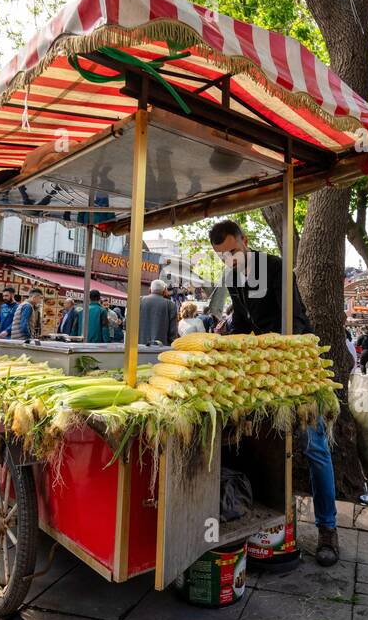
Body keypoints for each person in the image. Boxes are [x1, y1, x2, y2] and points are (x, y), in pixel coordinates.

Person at [209, 219, 340, 567]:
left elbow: (293, 321)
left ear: (245, 241)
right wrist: (222, 348)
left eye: (233, 251)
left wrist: (272, 354)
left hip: (298, 363)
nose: (230, 260)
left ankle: (328, 529)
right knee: (255, 440)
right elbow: (240, 324)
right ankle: (258, 514)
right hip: (263, 370)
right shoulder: (231, 279)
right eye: (222, 256)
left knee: (314, 447)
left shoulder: (275, 267)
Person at [138, 278, 179, 345]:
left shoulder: (139, 300)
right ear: (164, 291)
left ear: (150, 289)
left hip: (138, 347)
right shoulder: (170, 305)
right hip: (160, 348)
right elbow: (173, 332)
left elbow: (127, 323)